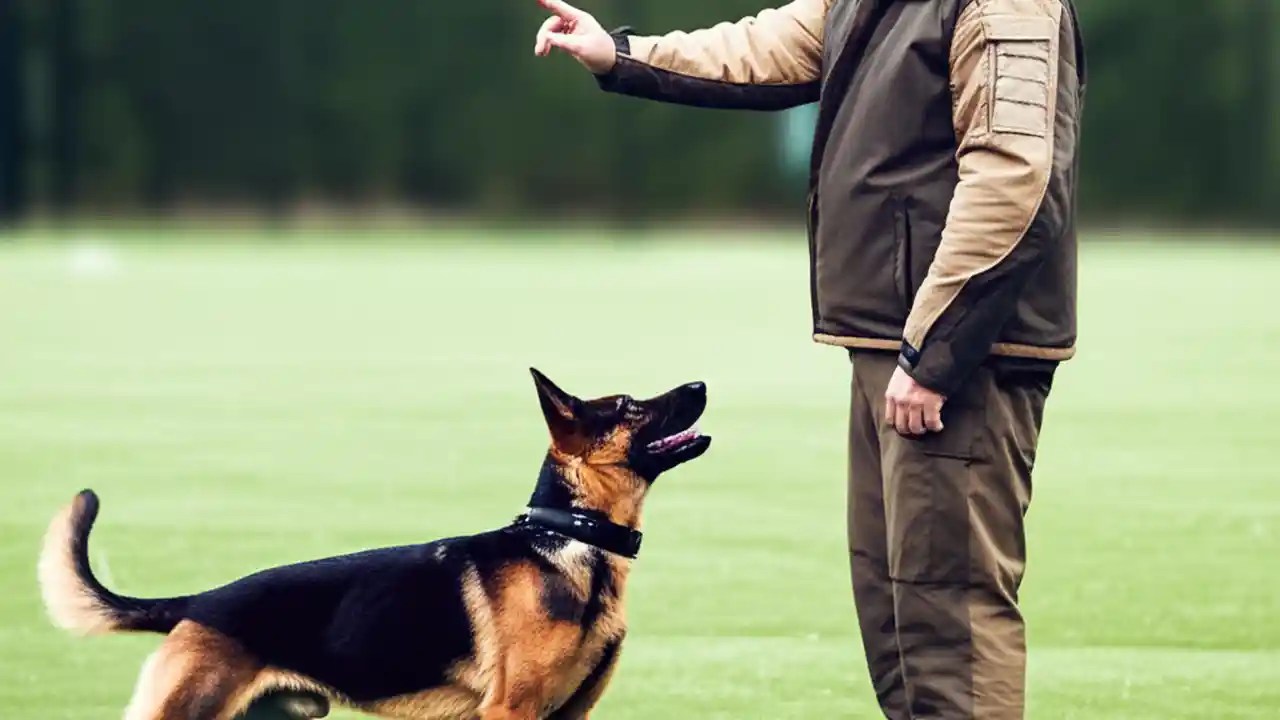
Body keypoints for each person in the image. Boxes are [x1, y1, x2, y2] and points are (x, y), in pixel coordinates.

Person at [532, 0, 1084, 717]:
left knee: (950, 619)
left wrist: (936, 351)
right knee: (898, 615)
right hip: (897, 345)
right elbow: (765, 46)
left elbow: (1015, 177)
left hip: (955, 358)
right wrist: (621, 54)